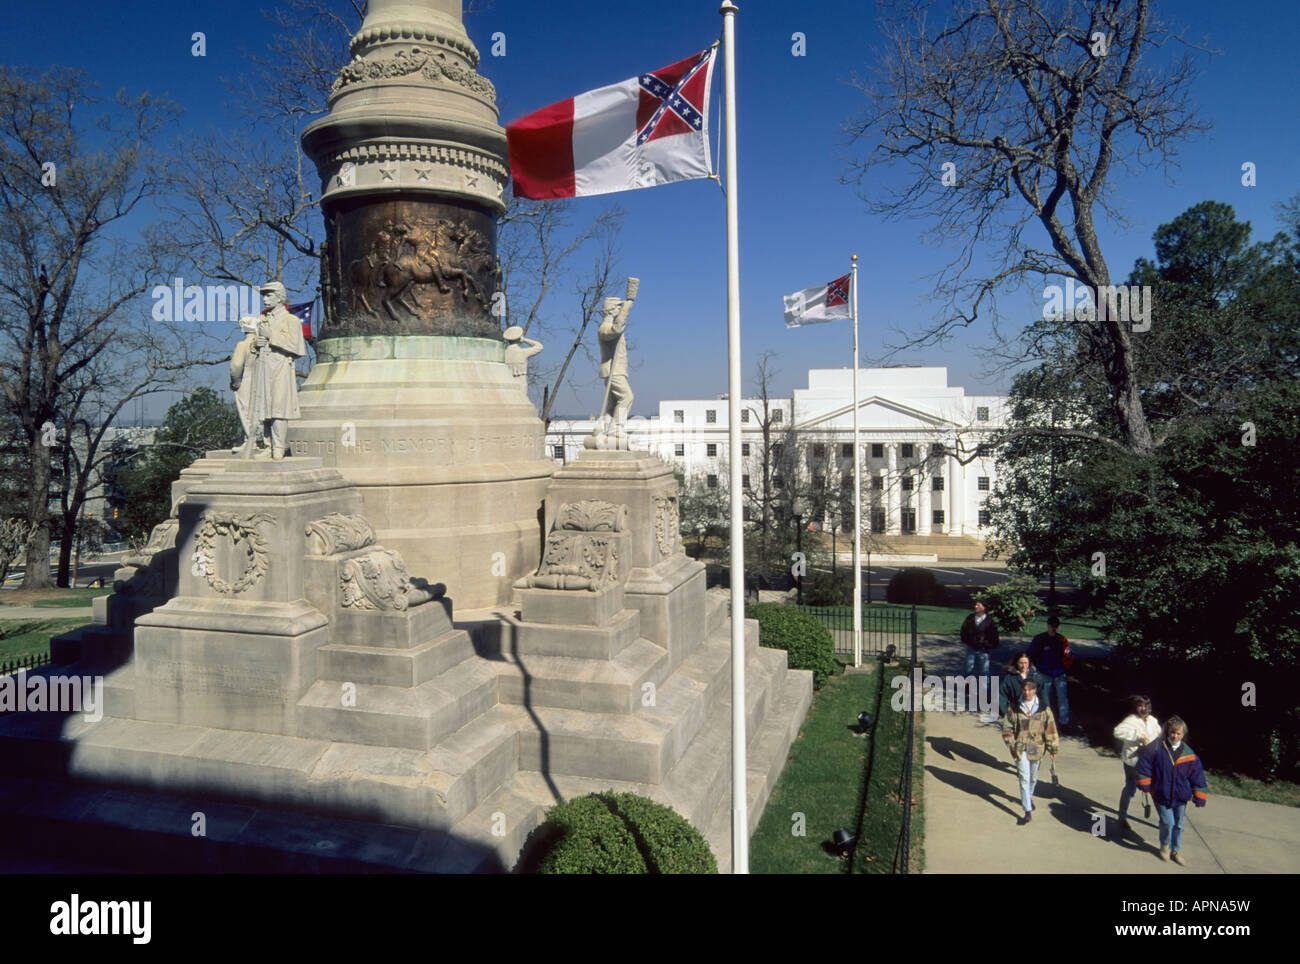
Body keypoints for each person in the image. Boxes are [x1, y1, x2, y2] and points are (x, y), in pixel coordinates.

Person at [1136, 716, 1207, 865]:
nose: (1175, 736)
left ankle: (1176, 850)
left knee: (1179, 825)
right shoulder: (1156, 747)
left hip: (1181, 796)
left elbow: (1197, 775)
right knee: (1168, 822)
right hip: (1161, 793)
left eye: (1178, 733)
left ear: (1183, 734)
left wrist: (1199, 795)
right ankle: (1164, 846)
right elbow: (1145, 765)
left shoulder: (1188, 753)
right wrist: (1145, 784)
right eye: (1172, 732)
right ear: (1168, 732)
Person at [253, 281, 307, 460]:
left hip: (281, 366)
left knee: (278, 408)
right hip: (263, 367)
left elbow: (297, 347)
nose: (265, 299)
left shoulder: (291, 320)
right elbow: (256, 345)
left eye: (269, 295)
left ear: (280, 297)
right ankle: (268, 446)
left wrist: (272, 337)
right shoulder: (263, 320)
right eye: (264, 296)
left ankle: (278, 447)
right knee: (265, 408)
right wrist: (257, 343)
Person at [1001, 677, 1059, 824]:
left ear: (1035, 690)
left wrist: (1053, 747)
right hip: (1020, 745)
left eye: (1030, 690)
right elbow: (1007, 727)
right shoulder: (1014, 706)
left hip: (1036, 746)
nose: (1027, 693)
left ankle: (1029, 796)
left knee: (1032, 778)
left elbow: (1050, 728)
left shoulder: (1043, 708)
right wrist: (1011, 743)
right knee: (1024, 777)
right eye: (1024, 690)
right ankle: (1027, 810)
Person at [1113, 695, 1161, 833]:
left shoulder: (1153, 721)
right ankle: (1122, 816)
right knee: (1130, 788)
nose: (1143, 708)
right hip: (1133, 762)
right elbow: (1117, 732)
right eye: (1140, 705)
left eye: (1145, 705)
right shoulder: (1131, 721)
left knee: (1154, 789)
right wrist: (1137, 736)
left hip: (1150, 761)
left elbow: (1160, 735)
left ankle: (1164, 820)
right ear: (1136, 707)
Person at [1029, 614, 1073, 732]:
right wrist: (1035, 668)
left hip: (1059, 673)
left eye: (1055, 626)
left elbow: (1068, 655)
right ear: (1047, 626)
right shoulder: (1039, 639)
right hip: (1044, 673)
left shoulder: (1062, 640)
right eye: (1051, 626)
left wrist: (1065, 668)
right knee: (1045, 697)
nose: (1053, 628)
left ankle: (1064, 722)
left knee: (1062, 698)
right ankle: (1045, 721)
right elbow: (1031, 655)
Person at [999, 651, 1048, 720]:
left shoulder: (1036, 676)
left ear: (1029, 663)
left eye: (1025, 663)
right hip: (1017, 713)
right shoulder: (1009, 678)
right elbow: (1001, 695)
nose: (1023, 666)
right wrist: (1006, 712)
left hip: (1035, 712)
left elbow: (1043, 694)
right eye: (1021, 663)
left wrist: (1046, 709)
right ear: (1016, 663)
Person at [959, 599, 999, 681]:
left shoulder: (990, 621)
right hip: (971, 648)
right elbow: (964, 630)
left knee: (984, 671)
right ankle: (967, 686)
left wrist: (987, 645)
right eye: (975, 605)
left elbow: (994, 636)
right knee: (968, 669)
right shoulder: (970, 618)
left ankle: (983, 690)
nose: (975, 607)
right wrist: (967, 641)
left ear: (984, 607)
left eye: (978, 605)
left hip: (984, 650)